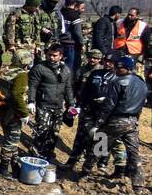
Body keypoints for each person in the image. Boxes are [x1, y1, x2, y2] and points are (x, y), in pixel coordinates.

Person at [96, 55, 147, 187]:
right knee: (133, 152)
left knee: (100, 142)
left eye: (119, 67)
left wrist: (100, 122)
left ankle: (85, 170)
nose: (116, 69)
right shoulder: (141, 82)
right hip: (133, 121)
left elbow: (110, 105)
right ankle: (138, 184)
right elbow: (141, 103)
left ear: (127, 69)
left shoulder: (119, 82)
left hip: (118, 120)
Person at [0, 48, 35, 178]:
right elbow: (17, 95)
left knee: (12, 138)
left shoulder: (3, 71)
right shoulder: (21, 75)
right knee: (11, 141)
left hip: (2, 111)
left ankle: (15, 165)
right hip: (14, 113)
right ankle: (2, 169)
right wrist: (24, 114)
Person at [65, 49, 114, 177]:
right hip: (89, 110)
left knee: (102, 139)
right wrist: (79, 105)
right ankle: (72, 161)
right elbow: (85, 91)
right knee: (81, 136)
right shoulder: (96, 73)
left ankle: (100, 165)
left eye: (111, 62)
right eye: (107, 61)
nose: (108, 64)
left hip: (106, 113)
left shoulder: (117, 77)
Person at [27, 42, 75, 165]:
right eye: (49, 55)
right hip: (43, 105)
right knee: (42, 131)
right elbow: (33, 86)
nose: (51, 58)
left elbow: (68, 88)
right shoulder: (40, 68)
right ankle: (35, 155)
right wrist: (31, 101)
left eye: (54, 55)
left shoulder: (65, 70)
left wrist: (71, 105)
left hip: (58, 106)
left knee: (54, 133)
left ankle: (47, 156)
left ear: (61, 56)